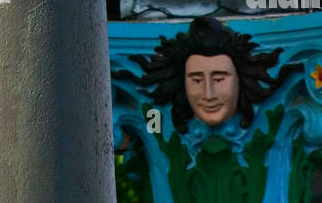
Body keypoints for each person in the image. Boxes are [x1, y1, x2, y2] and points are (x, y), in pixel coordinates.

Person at [114, 13, 280, 131]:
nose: (209, 94)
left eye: (219, 79)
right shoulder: (155, 122)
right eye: (197, 80)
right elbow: (153, 126)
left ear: (241, 80)